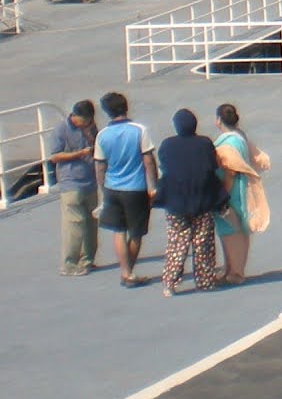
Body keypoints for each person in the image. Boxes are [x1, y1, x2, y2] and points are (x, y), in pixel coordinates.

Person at [156, 109, 226, 297]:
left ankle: (170, 282)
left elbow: (163, 166)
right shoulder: (204, 143)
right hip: (202, 200)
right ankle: (205, 280)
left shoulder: (167, 145)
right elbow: (213, 166)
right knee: (203, 242)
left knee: (177, 243)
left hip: (176, 202)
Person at [94, 92, 157, 286]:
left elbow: (100, 165)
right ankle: (129, 272)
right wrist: (153, 186)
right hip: (136, 188)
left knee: (118, 231)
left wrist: (103, 189)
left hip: (112, 188)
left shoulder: (102, 135)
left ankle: (125, 271)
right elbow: (148, 160)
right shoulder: (139, 130)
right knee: (136, 233)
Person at [212, 103, 270, 284]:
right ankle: (231, 268)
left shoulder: (227, 143)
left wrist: (223, 194)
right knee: (238, 231)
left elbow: (230, 170)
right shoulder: (240, 136)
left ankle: (235, 272)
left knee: (231, 231)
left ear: (219, 120)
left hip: (231, 191)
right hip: (242, 189)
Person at [50, 99, 100, 276]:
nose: (86, 123)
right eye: (84, 120)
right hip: (71, 182)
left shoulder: (91, 128)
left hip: (90, 180)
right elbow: (54, 157)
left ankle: (87, 260)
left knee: (91, 222)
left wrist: (90, 135)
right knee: (74, 224)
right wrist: (79, 154)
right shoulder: (61, 130)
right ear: (76, 117)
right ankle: (69, 263)